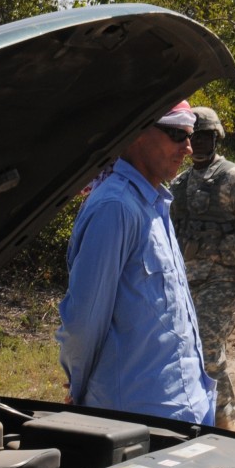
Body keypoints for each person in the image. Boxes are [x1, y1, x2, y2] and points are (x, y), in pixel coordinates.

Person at [57, 101, 215, 424]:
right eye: (176, 133)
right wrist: (78, 385)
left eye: (190, 134)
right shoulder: (115, 207)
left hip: (186, 412)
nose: (187, 147)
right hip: (138, 423)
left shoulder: (155, 203)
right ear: (137, 133)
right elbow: (84, 323)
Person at [169, 106, 235, 429]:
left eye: (204, 137)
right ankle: (198, 416)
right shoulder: (178, 184)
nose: (197, 143)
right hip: (183, 283)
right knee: (185, 352)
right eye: (191, 136)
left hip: (223, 282)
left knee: (208, 349)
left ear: (217, 138)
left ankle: (223, 420)